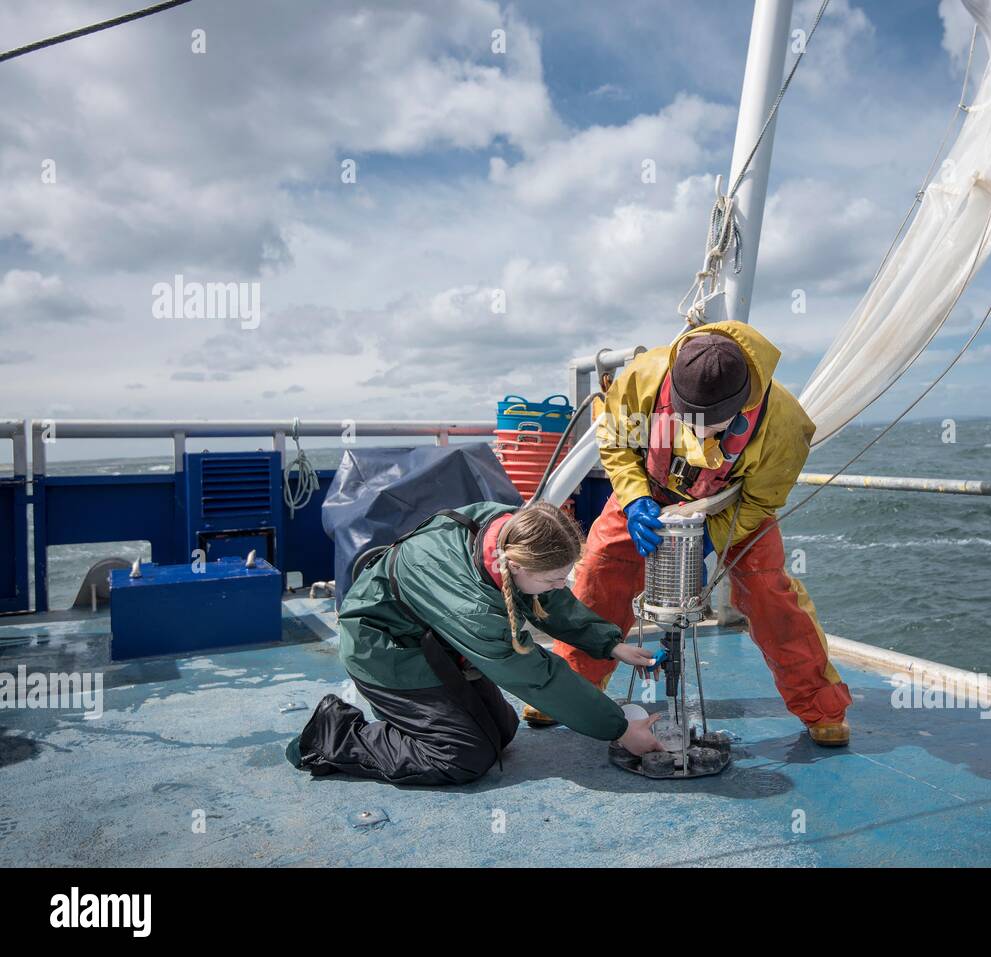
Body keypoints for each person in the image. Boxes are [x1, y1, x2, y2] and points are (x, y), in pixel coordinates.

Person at [527, 320, 853, 746]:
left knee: (769, 595)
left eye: (714, 427)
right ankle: (571, 691)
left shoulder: (786, 426)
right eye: (688, 421)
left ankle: (821, 707)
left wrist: (706, 541)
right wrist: (635, 498)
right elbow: (617, 443)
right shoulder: (643, 377)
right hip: (650, 493)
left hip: (733, 508)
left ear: (742, 409)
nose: (699, 434)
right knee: (600, 570)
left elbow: (760, 502)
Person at [286, 501, 664, 785]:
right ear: (514, 567)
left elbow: (547, 596)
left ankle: (423, 720)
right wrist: (618, 728)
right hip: (387, 654)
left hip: (439, 645)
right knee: (462, 757)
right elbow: (532, 674)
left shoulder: (511, 532)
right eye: (553, 579)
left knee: (503, 729)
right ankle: (332, 734)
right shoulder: (470, 606)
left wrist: (609, 643)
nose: (557, 586)